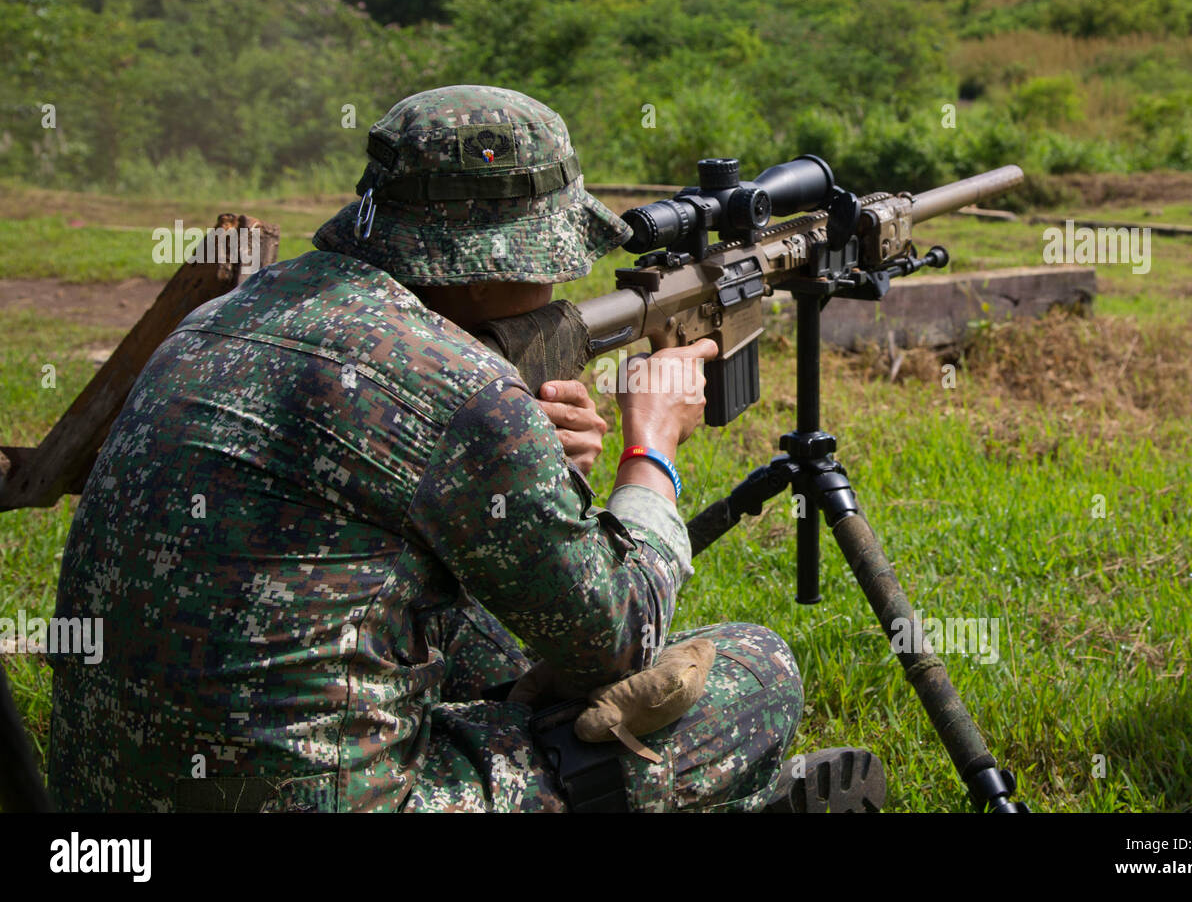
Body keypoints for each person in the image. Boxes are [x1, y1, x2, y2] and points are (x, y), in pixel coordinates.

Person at [46, 85, 883, 812]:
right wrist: (651, 452)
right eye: (552, 255)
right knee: (753, 678)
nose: (558, 281)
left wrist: (519, 466)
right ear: (488, 262)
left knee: (499, 629)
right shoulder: (459, 383)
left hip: (104, 806)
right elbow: (618, 637)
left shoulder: (224, 317)